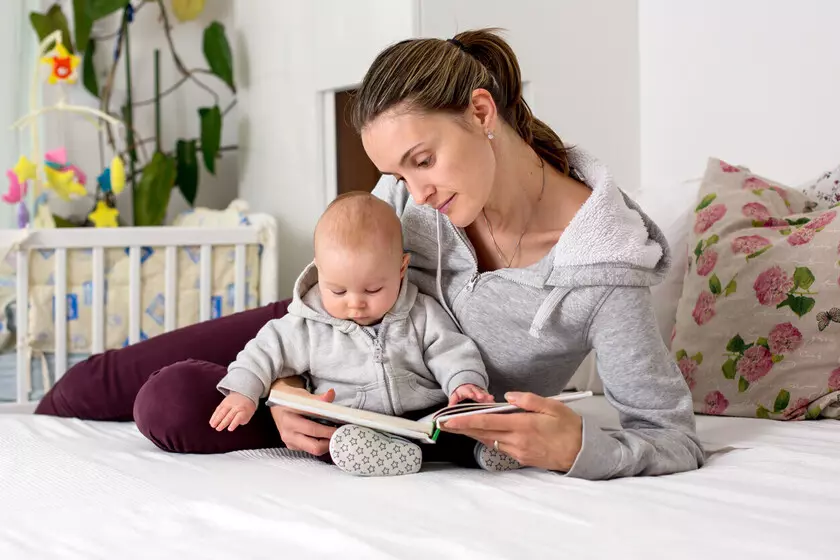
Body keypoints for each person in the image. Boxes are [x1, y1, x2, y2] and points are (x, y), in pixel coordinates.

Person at [35, 28, 704, 480]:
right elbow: (346, 254)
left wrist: (578, 447)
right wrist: (280, 383)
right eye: (398, 175)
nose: (415, 194)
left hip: (404, 412)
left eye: (423, 161)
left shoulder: (600, 272)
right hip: (316, 327)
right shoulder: (413, 196)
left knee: (173, 406)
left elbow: (673, 436)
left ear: (480, 113)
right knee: (81, 388)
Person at [210, 192, 515, 477]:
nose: (355, 302)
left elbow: (451, 351)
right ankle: (387, 454)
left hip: (421, 415)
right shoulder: (306, 325)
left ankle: (480, 449)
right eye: (338, 290)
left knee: (454, 424)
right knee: (329, 435)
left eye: (372, 289)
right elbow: (263, 353)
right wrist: (243, 392)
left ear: (401, 268)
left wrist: (464, 383)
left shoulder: (421, 312)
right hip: (353, 419)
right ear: (320, 272)